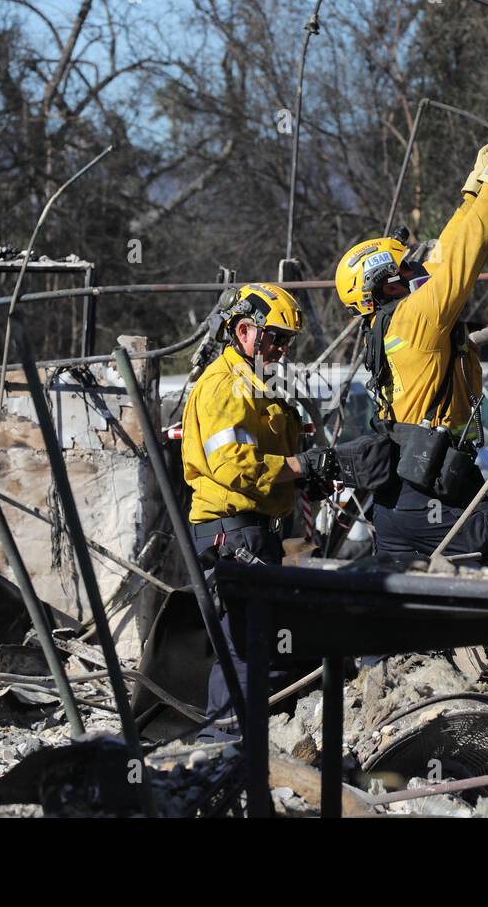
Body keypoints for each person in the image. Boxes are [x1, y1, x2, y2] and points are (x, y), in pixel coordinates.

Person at [330, 138, 488, 566]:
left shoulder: (390, 322)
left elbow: (443, 257)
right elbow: (463, 259)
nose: (418, 269)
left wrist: (473, 190)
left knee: (410, 617)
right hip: (428, 488)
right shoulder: (415, 318)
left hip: (403, 498)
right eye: (406, 267)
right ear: (386, 284)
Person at [179, 282, 331, 727]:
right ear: (243, 331)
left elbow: (269, 459)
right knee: (244, 647)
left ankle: (257, 742)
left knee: (267, 642)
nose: (283, 348)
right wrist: (299, 467)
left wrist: (305, 477)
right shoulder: (224, 387)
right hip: (231, 532)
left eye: (287, 339)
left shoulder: (256, 384)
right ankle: (223, 748)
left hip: (254, 531)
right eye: (276, 337)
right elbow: (233, 465)